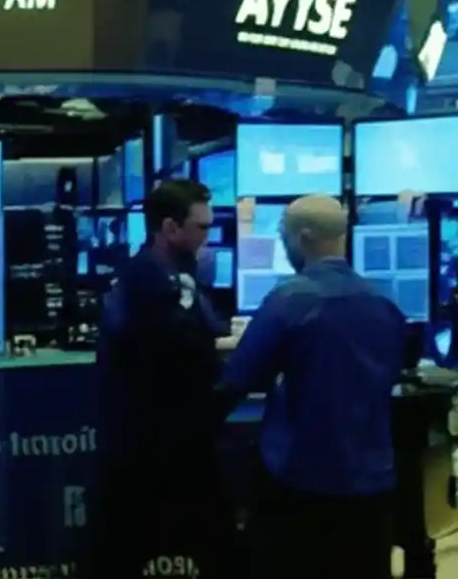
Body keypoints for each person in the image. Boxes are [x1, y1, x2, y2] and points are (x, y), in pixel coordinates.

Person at [217, 195, 404, 579]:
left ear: (301, 238)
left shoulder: (289, 300)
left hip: (301, 481)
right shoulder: (386, 301)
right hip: (372, 481)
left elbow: (239, 378)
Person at [91, 179, 236, 579]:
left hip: (163, 447)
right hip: (153, 451)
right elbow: (191, 355)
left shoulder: (169, 274)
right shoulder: (150, 285)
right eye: (201, 228)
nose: (209, 238)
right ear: (171, 229)